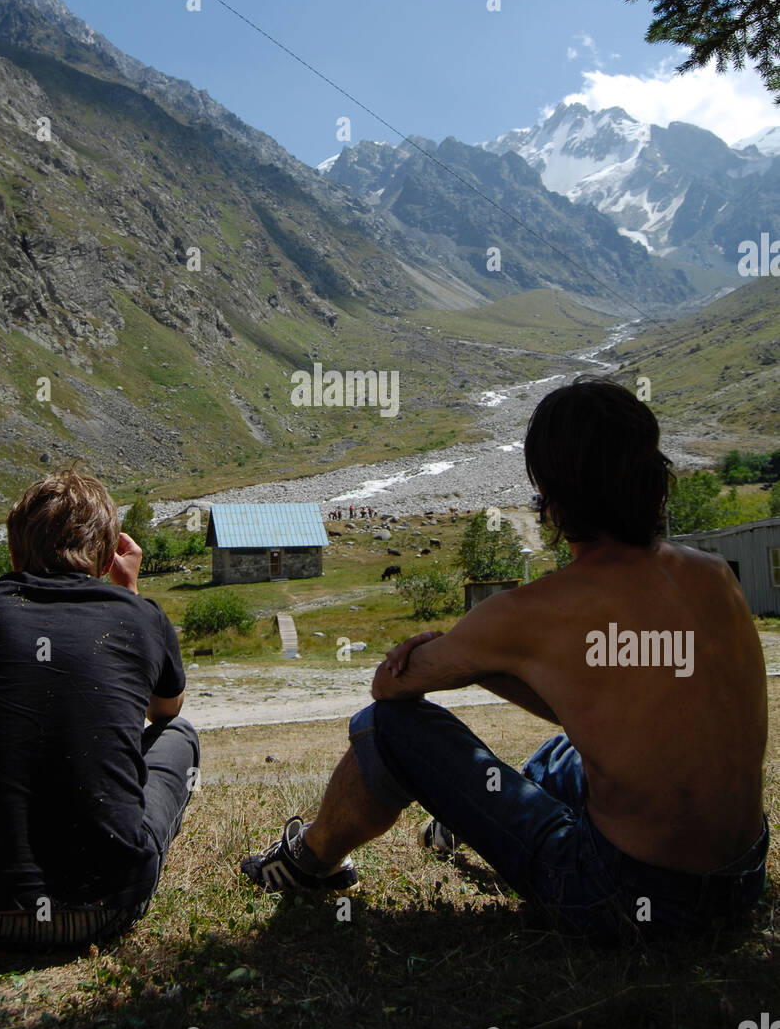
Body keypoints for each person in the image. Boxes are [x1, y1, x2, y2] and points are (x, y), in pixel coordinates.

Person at [242, 379, 769, 942]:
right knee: (580, 745)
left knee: (389, 728)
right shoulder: (714, 577)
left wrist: (464, 653)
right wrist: (494, 665)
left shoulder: (533, 612)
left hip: (623, 897)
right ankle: (465, 823)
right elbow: (601, 703)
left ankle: (308, 860)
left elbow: (390, 689)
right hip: (742, 882)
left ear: (550, 493)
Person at [0, 466, 200, 949]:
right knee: (179, 733)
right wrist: (129, 597)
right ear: (109, 558)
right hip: (108, 908)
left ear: (12, 550)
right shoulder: (142, 617)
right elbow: (165, 708)